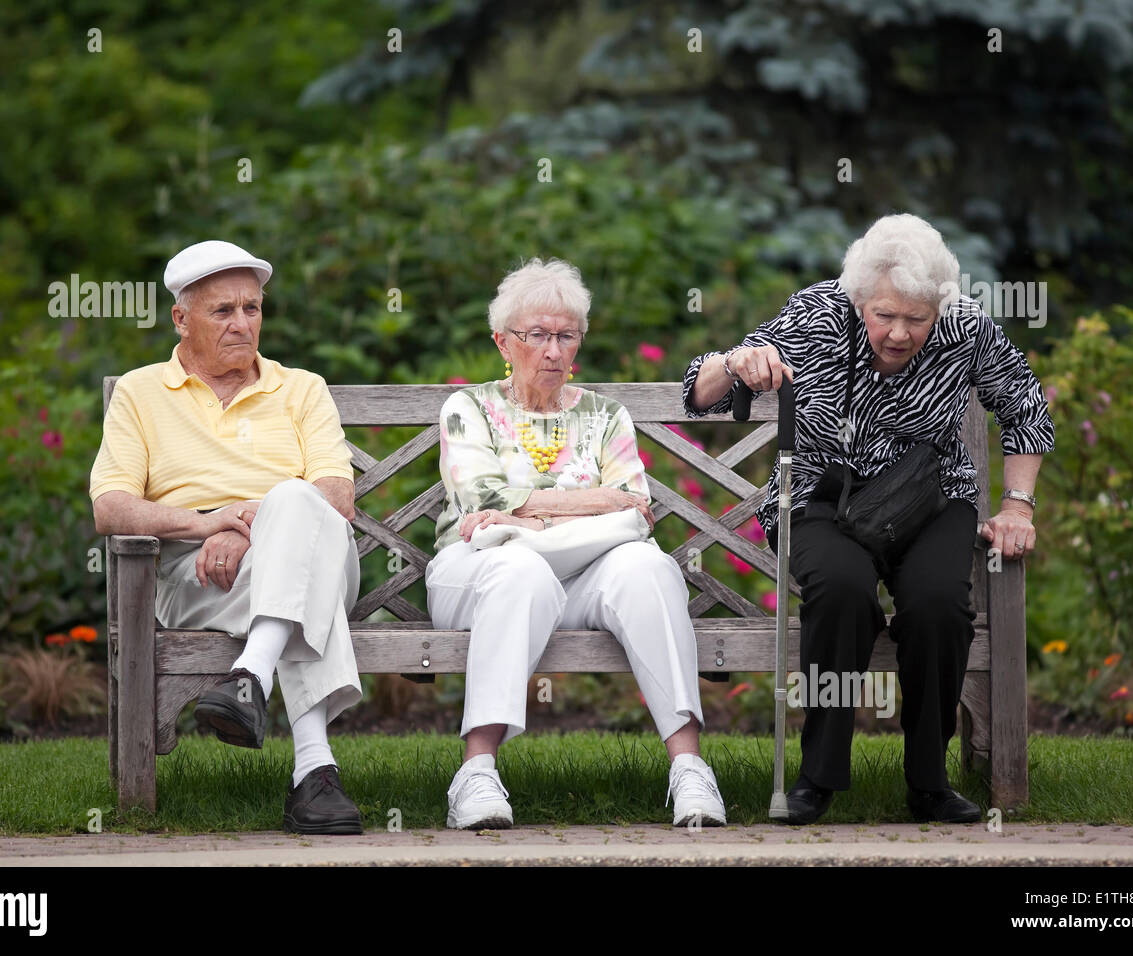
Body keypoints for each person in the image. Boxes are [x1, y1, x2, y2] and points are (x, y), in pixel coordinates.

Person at [682, 214, 1054, 824]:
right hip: (821, 498)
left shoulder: (967, 327)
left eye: (917, 318)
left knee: (938, 604)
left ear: (940, 306)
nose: (901, 333)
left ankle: (929, 781)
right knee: (843, 591)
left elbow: (1025, 408)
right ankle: (817, 777)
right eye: (885, 316)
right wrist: (740, 361)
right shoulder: (816, 315)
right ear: (858, 300)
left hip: (930, 498)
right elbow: (702, 393)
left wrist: (1017, 506)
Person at [426, 257, 727, 830]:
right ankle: (476, 773)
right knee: (519, 569)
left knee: (647, 566)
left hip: (583, 574)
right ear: (503, 342)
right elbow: (480, 502)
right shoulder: (470, 408)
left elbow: (635, 510)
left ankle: (689, 768)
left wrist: (528, 514)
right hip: (477, 576)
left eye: (566, 336)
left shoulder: (606, 415)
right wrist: (594, 504)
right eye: (537, 335)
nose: (553, 351)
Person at [90, 240, 365, 834]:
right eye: (223, 311)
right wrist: (202, 524)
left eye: (253, 308)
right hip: (200, 578)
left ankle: (250, 677)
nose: (243, 324)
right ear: (180, 319)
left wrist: (244, 525)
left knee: (297, 500)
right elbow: (110, 506)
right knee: (298, 584)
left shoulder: (302, 389)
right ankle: (314, 776)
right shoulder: (141, 394)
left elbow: (337, 500)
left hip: (315, 547)